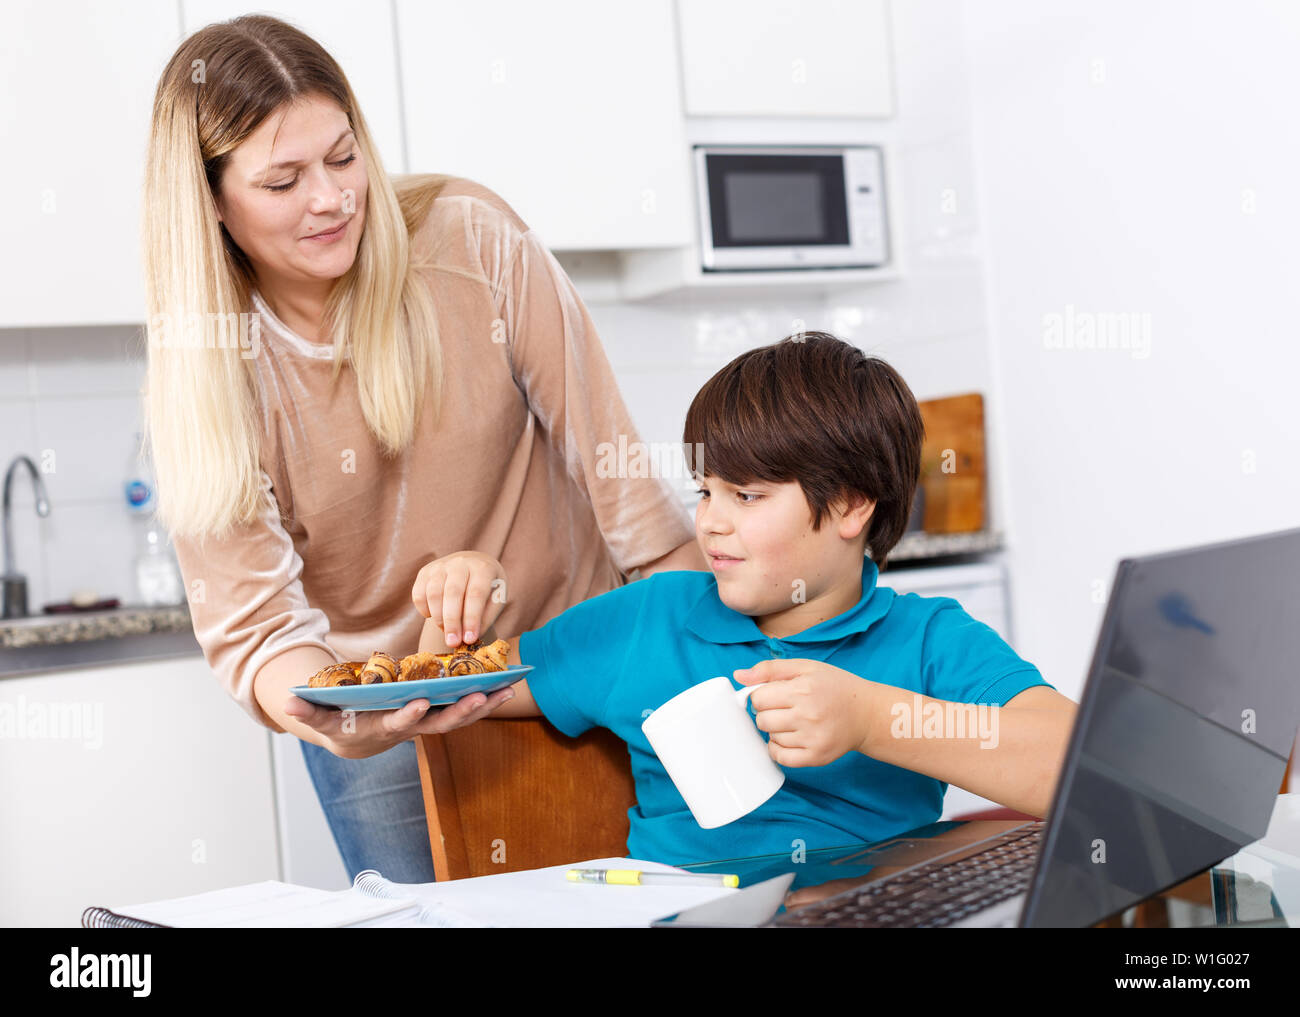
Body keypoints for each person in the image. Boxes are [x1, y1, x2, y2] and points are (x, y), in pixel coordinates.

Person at [140, 14, 703, 882]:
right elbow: (259, 633)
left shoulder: (470, 241)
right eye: (283, 180)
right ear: (211, 200)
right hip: (377, 714)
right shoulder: (206, 367)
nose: (332, 198)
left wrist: (700, 672)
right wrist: (332, 707)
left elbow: (628, 494)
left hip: (570, 659)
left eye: (343, 155)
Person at [296, 333, 1080, 864]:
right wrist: (462, 591)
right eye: (705, 490)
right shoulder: (654, 619)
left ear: (850, 506)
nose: (710, 523)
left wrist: (872, 719)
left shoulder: (926, 639)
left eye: (746, 494)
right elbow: (451, 690)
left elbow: (1076, 766)